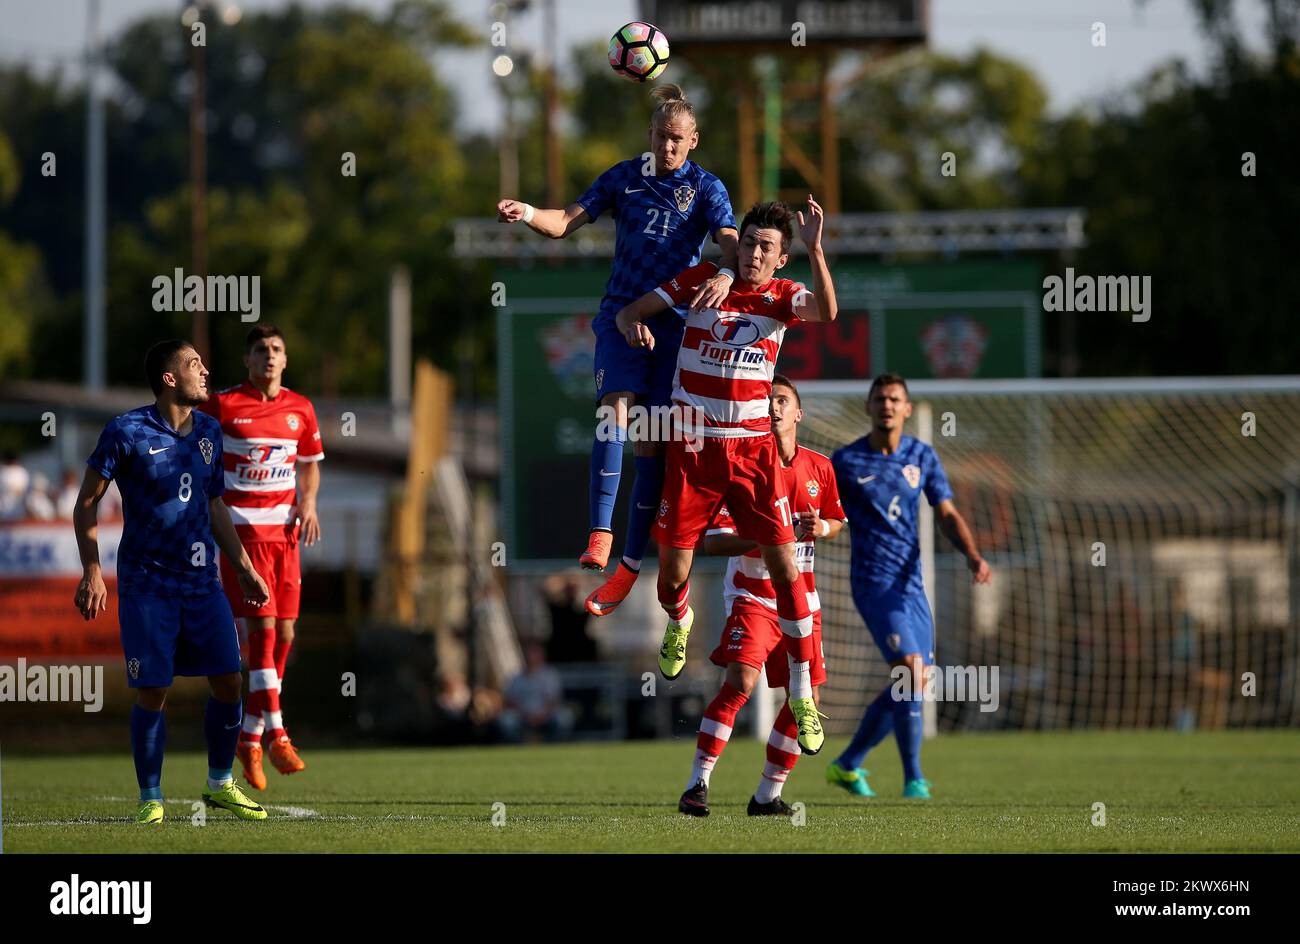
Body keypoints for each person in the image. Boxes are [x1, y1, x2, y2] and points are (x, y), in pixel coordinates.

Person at [497, 84, 739, 615]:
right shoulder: (624, 177)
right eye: (660, 136)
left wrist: (727, 269)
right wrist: (528, 211)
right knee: (615, 410)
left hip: (675, 324)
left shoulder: (705, 187)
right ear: (649, 135)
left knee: (651, 442)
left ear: (693, 140)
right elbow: (562, 223)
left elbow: (729, 240)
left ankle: (632, 564)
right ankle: (600, 533)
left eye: (677, 139)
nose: (668, 147)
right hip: (621, 316)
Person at [615, 196, 839, 755]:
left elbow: (828, 314)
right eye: (750, 243)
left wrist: (815, 248)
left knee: (787, 567)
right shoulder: (702, 280)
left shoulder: (783, 296)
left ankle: (804, 691)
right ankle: (680, 617)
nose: (755, 254)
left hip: (753, 452)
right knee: (670, 574)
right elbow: (631, 312)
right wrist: (632, 326)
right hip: (693, 449)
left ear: (781, 258)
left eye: (768, 247)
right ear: (735, 244)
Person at [71, 339, 271, 824]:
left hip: (203, 585)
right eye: (193, 364)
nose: (205, 371)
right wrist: (92, 570)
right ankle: (151, 798)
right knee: (153, 689)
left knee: (228, 679)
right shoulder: (126, 431)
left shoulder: (207, 429)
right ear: (168, 378)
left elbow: (215, 504)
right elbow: (86, 503)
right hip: (147, 586)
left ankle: (221, 784)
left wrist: (243, 568)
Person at [679, 375, 844, 817]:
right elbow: (713, 542)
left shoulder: (820, 467)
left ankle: (767, 796)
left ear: (798, 413)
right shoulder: (742, 466)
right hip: (753, 597)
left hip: (802, 600)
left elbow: (835, 520)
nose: (772, 408)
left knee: (804, 698)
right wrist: (769, 537)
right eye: (767, 401)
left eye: (782, 401)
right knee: (740, 684)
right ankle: (697, 784)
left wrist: (822, 528)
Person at [827, 373, 992, 799]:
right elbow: (823, 509)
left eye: (894, 399)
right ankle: (914, 779)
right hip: (872, 584)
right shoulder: (845, 462)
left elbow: (947, 513)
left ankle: (848, 764)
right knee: (911, 670)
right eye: (879, 398)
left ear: (906, 409)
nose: (886, 404)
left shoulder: (922, 455)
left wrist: (972, 554)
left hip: (911, 586)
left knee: (915, 679)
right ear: (867, 406)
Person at [198, 325, 323, 790]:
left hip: (286, 537)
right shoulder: (224, 405)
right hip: (244, 540)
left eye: (276, 350)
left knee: (286, 631)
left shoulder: (301, 409)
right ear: (248, 361)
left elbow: (309, 464)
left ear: (285, 360)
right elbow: (194, 450)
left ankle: (249, 737)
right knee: (263, 633)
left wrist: (308, 502)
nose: (269, 356)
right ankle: (278, 733)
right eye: (260, 350)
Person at [499, 641, 572, 743]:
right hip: (522, 716)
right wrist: (526, 715)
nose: (530, 657)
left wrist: (541, 716)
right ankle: (517, 747)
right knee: (507, 720)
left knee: (563, 717)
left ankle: (553, 746)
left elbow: (554, 700)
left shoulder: (549, 675)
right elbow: (510, 701)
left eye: (533, 654)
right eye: (528, 655)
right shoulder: (516, 678)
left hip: (545, 716)